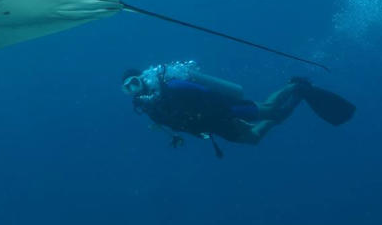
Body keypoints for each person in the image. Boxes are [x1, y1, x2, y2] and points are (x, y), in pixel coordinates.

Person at [121, 61, 355, 158]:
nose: (134, 89)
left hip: (223, 109)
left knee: (271, 109)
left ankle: (294, 86)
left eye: (135, 82)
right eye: (128, 88)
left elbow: (204, 93)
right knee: (254, 137)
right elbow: (175, 126)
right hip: (211, 125)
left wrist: (228, 109)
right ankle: (299, 96)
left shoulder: (171, 86)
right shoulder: (149, 111)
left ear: (142, 78)